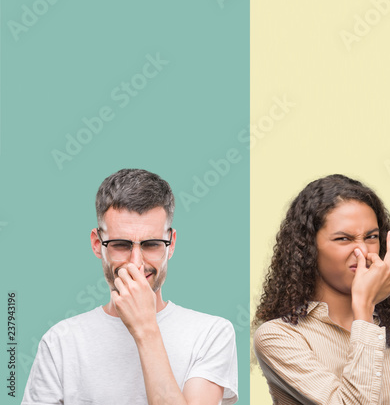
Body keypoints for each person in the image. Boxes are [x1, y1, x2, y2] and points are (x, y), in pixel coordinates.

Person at [22, 169, 239, 405]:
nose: (136, 262)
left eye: (152, 244)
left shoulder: (211, 334)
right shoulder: (59, 342)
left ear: (171, 244)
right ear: (97, 244)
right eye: (121, 244)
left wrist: (146, 329)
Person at [253, 174, 390, 404]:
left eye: (371, 237)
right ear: (307, 249)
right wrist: (364, 309)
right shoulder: (279, 337)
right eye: (344, 239)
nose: (363, 251)